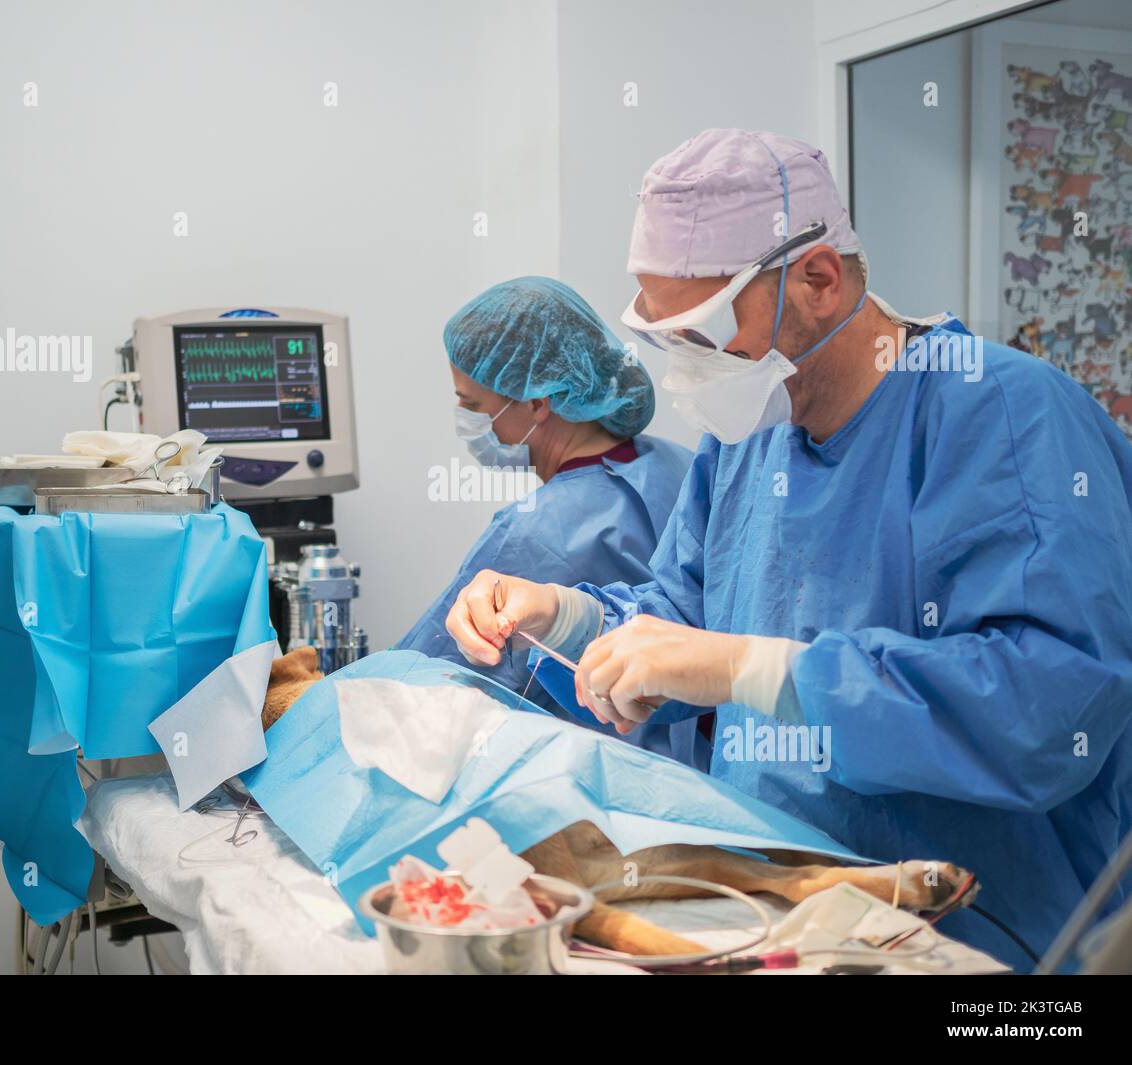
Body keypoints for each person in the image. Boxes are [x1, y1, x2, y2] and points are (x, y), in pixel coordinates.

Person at [444, 130, 1132, 970]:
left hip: (983, 940)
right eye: (663, 337)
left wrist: (762, 673)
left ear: (817, 278)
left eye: (702, 330)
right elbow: (677, 627)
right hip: (776, 920)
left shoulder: (1003, 415)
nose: (685, 370)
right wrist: (568, 616)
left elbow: (1048, 708)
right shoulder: (745, 441)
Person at [396, 276, 690, 748]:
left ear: (537, 402)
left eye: (473, 405)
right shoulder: (676, 462)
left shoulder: (538, 533)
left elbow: (418, 696)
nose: (465, 420)